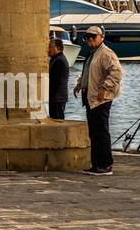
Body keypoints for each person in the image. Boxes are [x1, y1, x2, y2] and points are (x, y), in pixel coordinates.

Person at [74, 25, 122, 176]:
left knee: (101, 132)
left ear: (101, 37)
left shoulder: (106, 53)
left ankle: (105, 165)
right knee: (94, 133)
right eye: (88, 37)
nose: (90, 40)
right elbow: (88, 72)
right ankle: (96, 165)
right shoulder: (92, 53)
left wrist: (105, 88)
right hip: (91, 97)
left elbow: (116, 72)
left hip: (101, 99)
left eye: (93, 37)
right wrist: (79, 85)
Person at [48, 36, 69, 119]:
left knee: (58, 120)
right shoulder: (56, 59)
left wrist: (50, 95)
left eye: (50, 47)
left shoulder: (59, 60)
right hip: (56, 97)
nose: (48, 49)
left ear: (58, 48)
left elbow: (57, 81)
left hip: (57, 98)